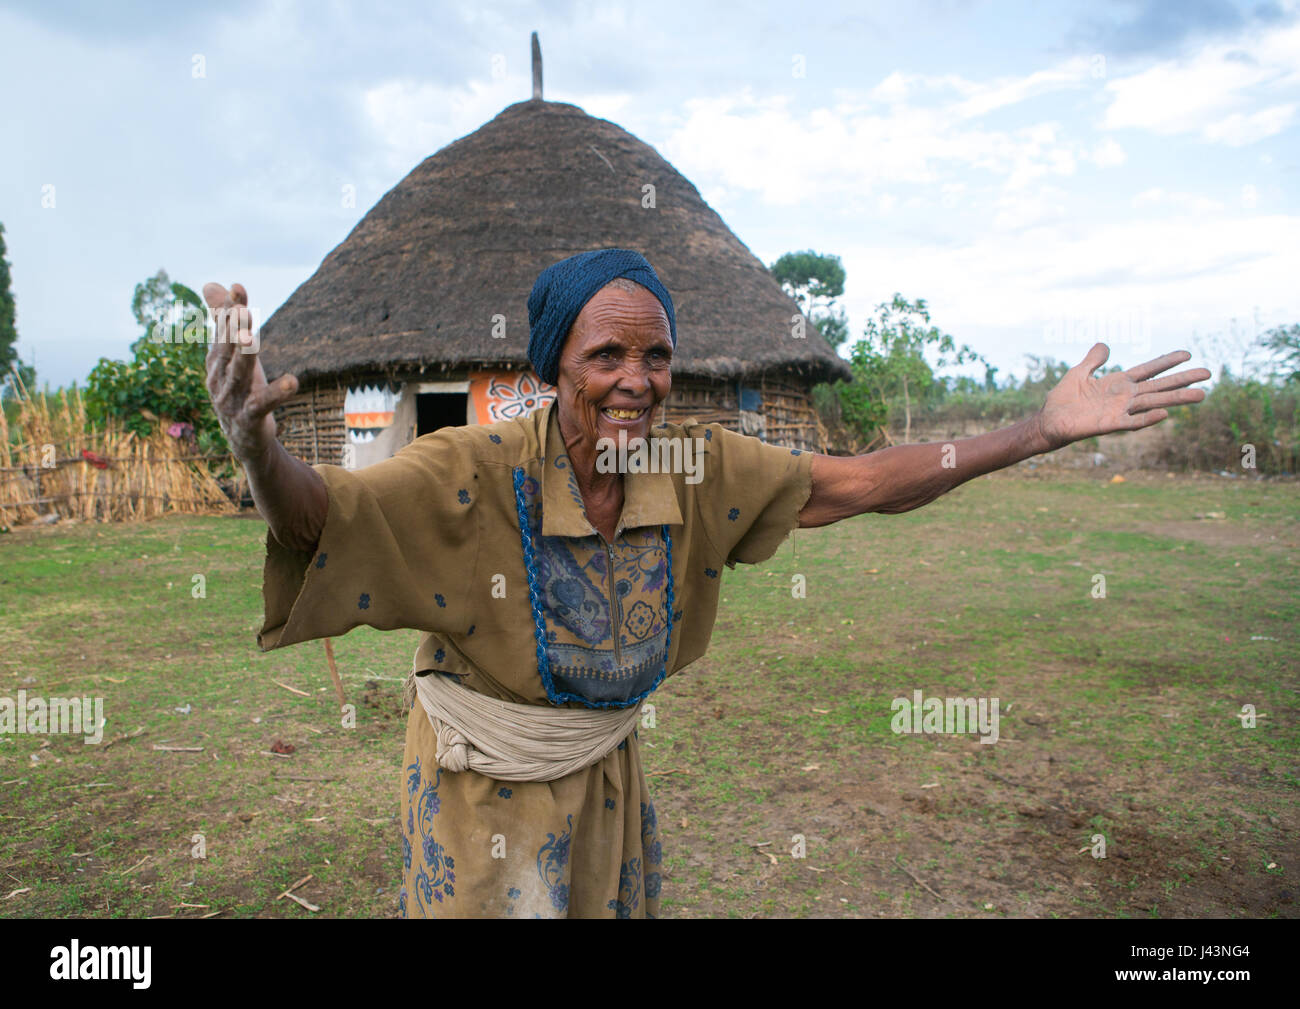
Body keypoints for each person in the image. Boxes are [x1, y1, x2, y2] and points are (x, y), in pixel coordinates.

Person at [203, 249, 1208, 918]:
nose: (637, 376)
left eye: (656, 354)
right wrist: (255, 445)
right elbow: (320, 517)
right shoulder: (471, 471)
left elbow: (855, 484)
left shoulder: (690, 466)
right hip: (485, 789)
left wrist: (1035, 432)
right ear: (555, 366)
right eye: (607, 354)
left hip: (603, 777)